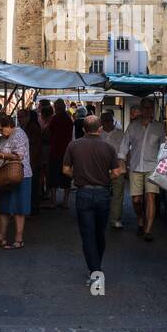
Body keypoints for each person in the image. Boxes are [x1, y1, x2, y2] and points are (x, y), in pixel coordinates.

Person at [63, 115, 122, 292]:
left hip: (84, 192)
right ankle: (97, 267)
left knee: (87, 235)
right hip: (103, 193)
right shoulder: (109, 147)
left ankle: (95, 271)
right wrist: (105, 178)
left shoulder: (73, 145)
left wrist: (79, 176)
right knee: (99, 233)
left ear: (83, 129)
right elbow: (117, 172)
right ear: (100, 128)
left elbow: (65, 169)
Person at [120, 97, 166, 241]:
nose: (146, 110)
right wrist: (122, 162)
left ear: (152, 109)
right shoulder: (133, 126)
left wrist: (163, 168)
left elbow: (163, 148)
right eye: (144, 107)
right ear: (141, 109)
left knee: (150, 197)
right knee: (136, 200)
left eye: (149, 107)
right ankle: (140, 219)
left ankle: (148, 230)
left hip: (152, 166)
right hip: (135, 166)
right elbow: (124, 145)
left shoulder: (159, 127)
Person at [0, 112, 32, 249]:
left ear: (8, 125)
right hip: (6, 176)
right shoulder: (5, 137)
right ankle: (1, 237)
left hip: (21, 175)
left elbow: (19, 155)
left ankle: (18, 239)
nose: (1, 132)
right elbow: (4, 148)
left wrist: (1, 154)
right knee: (4, 207)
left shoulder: (19, 134)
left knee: (19, 209)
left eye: (1, 129)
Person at [100, 110, 127, 230]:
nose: (108, 123)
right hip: (101, 167)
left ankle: (115, 219)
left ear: (113, 121)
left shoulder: (120, 133)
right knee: (101, 193)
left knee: (118, 193)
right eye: (105, 121)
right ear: (101, 122)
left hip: (117, 165)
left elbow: (125, 149)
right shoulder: (98, 134)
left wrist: (125, 165)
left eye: (110, 121)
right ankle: (101, 217)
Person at [46, 97, 74, 208]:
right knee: (66, 176)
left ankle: (53, 200)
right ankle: (65, 201)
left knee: (53, 175)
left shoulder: (55, 118)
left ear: (56, 107)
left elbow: (48, 133)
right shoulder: (69, 119)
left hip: (55, 150)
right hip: (67, 150)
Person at [19, 106, 46, 217]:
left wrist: (30, 160)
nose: (19, 119)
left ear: (27, 117)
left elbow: (36, 146)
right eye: (18, 117)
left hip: (32, 161)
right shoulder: (25, 126)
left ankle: (32, 209)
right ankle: (30, 208)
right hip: (30, 161)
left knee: (33, 187)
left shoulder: (32, 127)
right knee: (31, 187)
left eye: (21, 117)